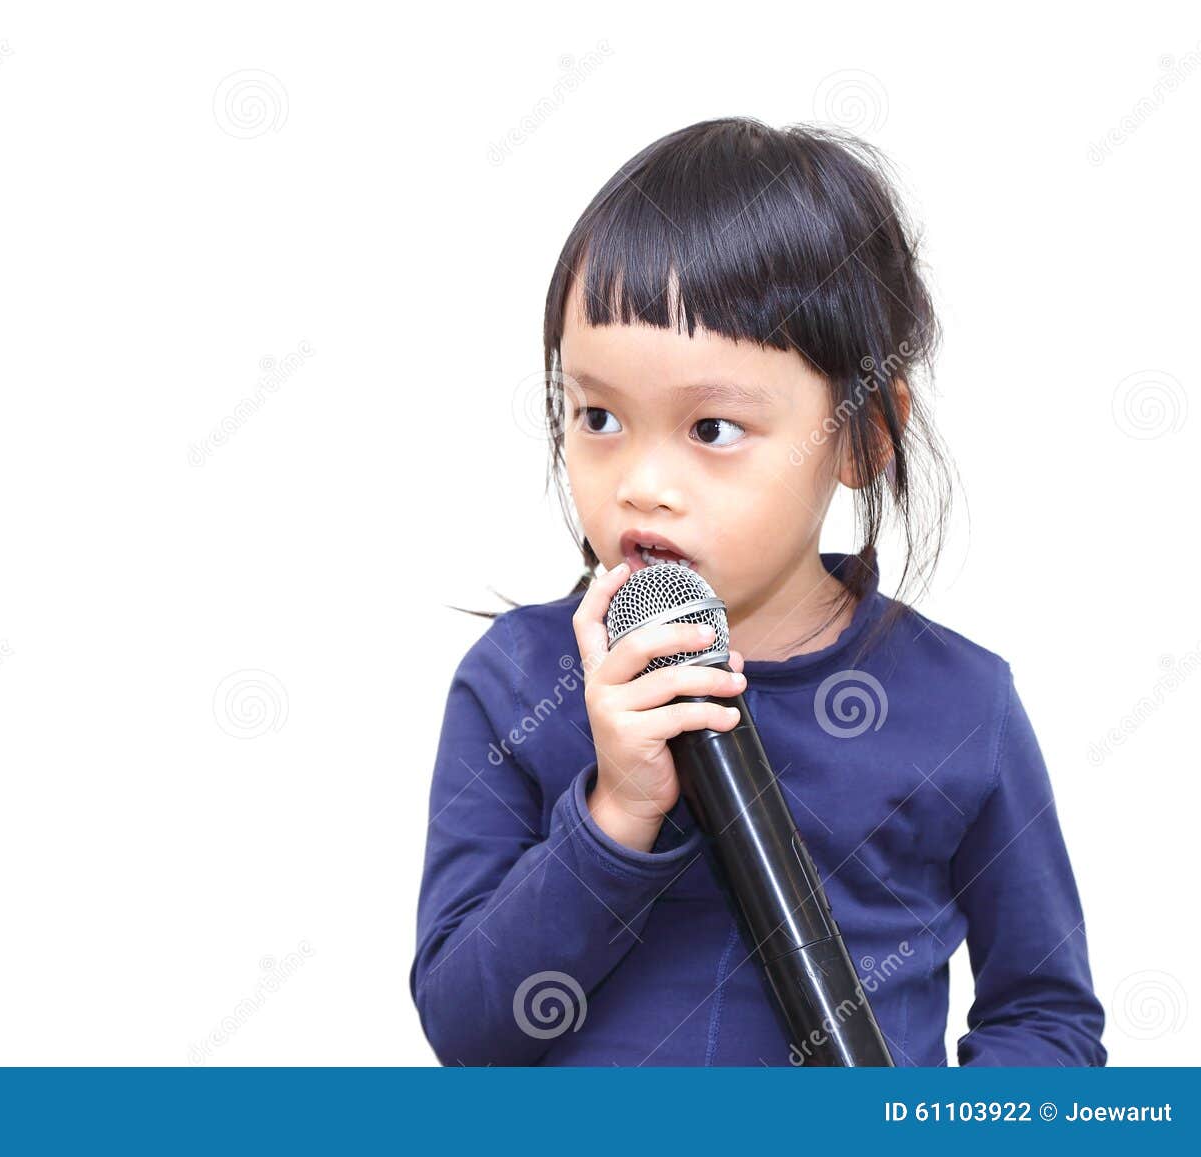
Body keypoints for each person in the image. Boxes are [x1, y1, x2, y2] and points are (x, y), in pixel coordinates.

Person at [409, 116, 1106, 1067]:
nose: (641, 482)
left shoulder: (962, 705)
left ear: (864, 436)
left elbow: (1047, 1017)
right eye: (598, 414)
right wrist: (616, 810)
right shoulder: (521, 681)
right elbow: (466, 1030)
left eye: (713, 428)